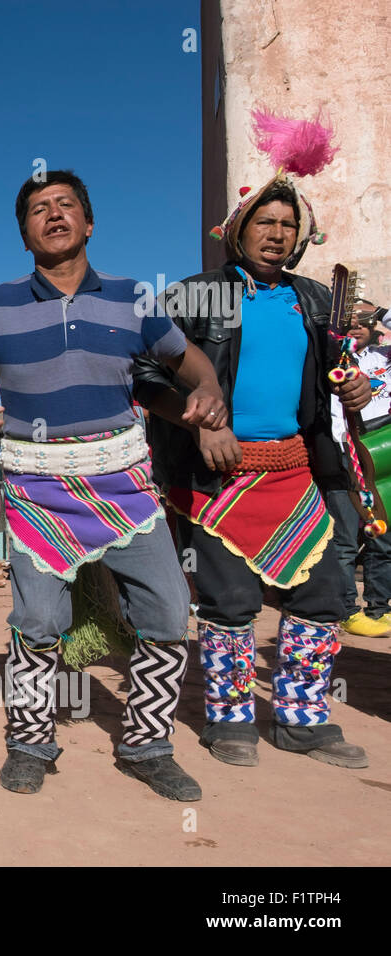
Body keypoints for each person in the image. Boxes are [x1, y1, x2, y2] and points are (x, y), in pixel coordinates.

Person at [0, 169, 226, 801]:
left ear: (89, 223)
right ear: (24, 233)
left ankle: (148, 744)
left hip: (125, 482)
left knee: (168, 609)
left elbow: (186, 361)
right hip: (36, 485)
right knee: (36, 617)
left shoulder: (134, 297)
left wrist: (210, 388)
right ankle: (30, 742)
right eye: (38, 208)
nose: (53, 214)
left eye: (65, 205)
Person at [134, 110, 370, 770]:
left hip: (300, 470)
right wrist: (201, 422)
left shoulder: (315, 300)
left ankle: (302, 718)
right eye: (264, 222)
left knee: (324, 591)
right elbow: (147, 379)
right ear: (238, 230)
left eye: (287, 225)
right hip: (219, 475)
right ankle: (230, 721)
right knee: (230, 599)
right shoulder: (201, 297)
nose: (276, 233)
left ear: (300, 237)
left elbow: (330, 375)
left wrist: (350, 389)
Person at [325, 299, 391, 637]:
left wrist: (380, 312)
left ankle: (380, 608)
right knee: (346, 538)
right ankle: (346, 610)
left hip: (383, 455)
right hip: (343, 453)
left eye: (363, 319)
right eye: (350, 318)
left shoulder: (384, 358)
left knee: (383, 535)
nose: (356, 324)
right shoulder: (331, 359)